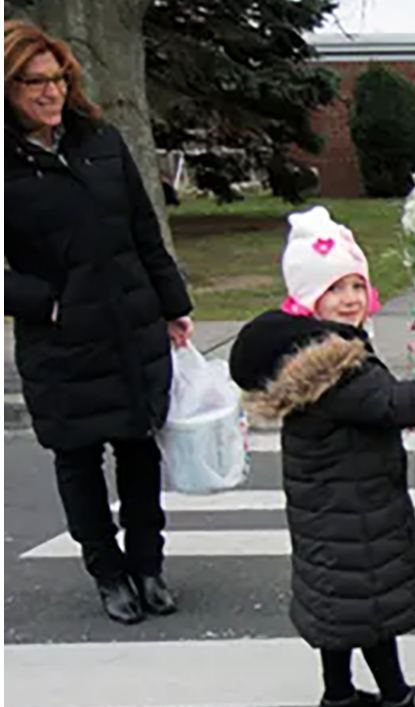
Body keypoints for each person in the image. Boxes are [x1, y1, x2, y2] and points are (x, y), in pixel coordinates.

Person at [228, 207, 415, 707]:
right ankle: (396, 697)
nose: (349, 299)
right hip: (356, 507)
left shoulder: (301, 352)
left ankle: (339, 695)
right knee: (370, 606)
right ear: (308, 297)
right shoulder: (334, 365)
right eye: (335, 289)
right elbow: (402, 404)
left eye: (356, 285)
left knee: (337, 604)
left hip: (326, 507)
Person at [4, 21, 194, 624]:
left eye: (56, 78)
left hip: (130, 324)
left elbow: (143, 228)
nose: (48, 93)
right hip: (61, 340)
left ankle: (147, 565)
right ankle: (108, 572)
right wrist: (42, 302)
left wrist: (172, 303)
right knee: (79, 460)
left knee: (141, 453)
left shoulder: (101, 141)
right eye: (31, 82)